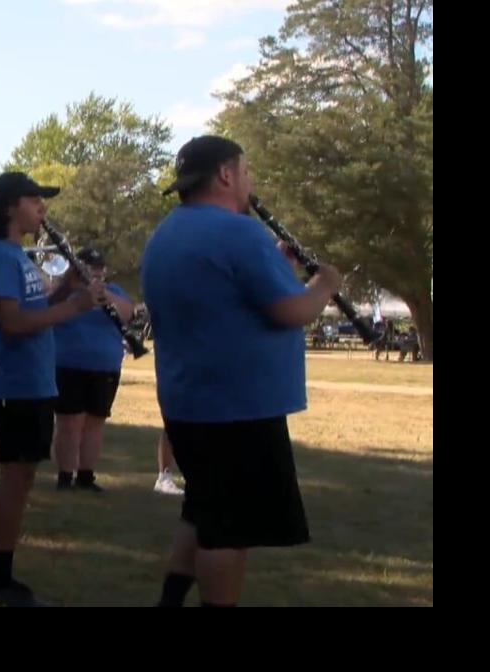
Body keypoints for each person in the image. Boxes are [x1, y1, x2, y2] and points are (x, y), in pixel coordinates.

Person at [144, 135, 342, 607]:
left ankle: (170, 601)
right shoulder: (238, 231)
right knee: (227, 532)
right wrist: (325, 284)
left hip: (188, 400)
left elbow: (227, 296)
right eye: (247, 171)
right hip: (236, 407)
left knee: (204, 510)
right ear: (226, 175)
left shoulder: (166, 233)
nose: (250, 183)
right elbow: (291, 310)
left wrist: (273, 266)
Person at [0, 172, 101, 607]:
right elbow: (12, 322)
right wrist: (74, 308)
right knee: (14, 483)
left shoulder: (14, 256)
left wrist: (65, 293)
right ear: (8, 207)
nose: (42, 207)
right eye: (34, 199)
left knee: (11, 481)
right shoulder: (0, 258)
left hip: (28, 383)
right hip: (15, 385)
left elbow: (32, 309)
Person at [48, 249, 134, 493]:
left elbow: (128, 313)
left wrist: (104, 293)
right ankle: (65, 476)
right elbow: (46, 307)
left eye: (99, 267)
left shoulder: (114, 291)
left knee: (95, 422)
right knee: (69, 422)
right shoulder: (65, 292)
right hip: (68, 364)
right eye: (90, 267)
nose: (96, 272)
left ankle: (86, 476)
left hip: (105, 366)